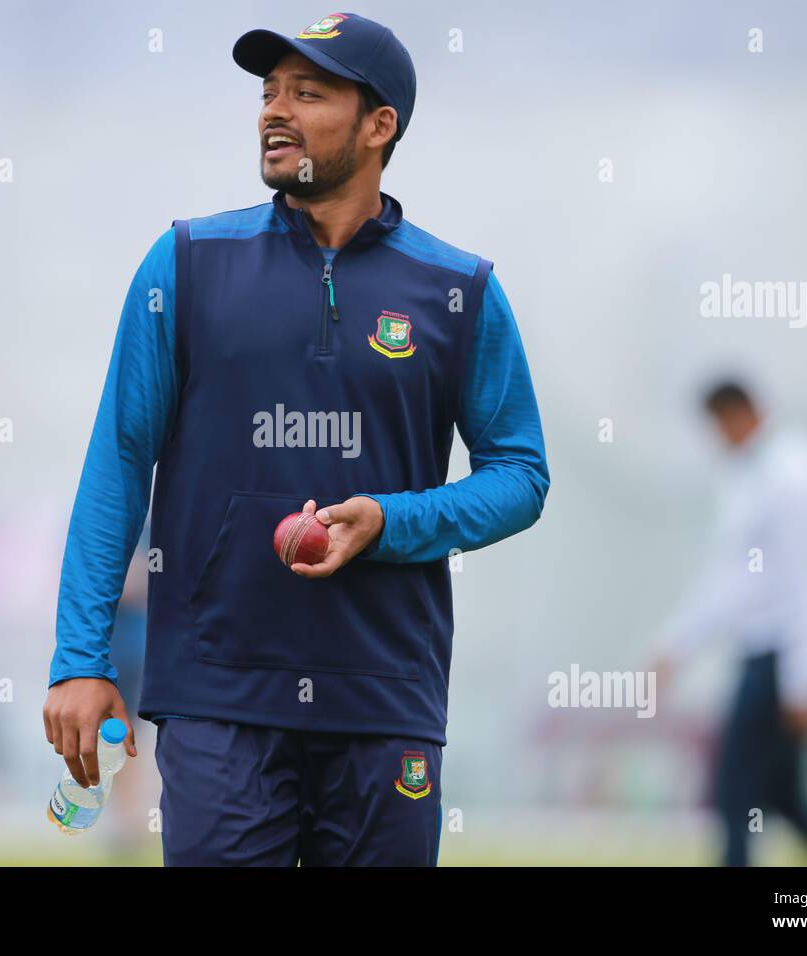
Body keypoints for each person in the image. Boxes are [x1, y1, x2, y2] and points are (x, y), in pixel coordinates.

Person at [44, 12, 549, 866]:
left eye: (308, 94)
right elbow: (119, 466)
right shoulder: (186, 265)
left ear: (379, 124)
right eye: (269, 92)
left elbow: (520, 474)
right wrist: (77, 658)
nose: (274, 112)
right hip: (218, 696)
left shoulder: (460, 293)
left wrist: (391, 522)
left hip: (386, 699)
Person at [653, 381, 807, 866]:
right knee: (784, 798)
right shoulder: (751, 475)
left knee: (733, 792)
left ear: (737, 414)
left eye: (717, 427)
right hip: (764, 656)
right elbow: (733, 583)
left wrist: (803, 679)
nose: (716, 440)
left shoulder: (795, 473)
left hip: (780, 662)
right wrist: (678, 642)